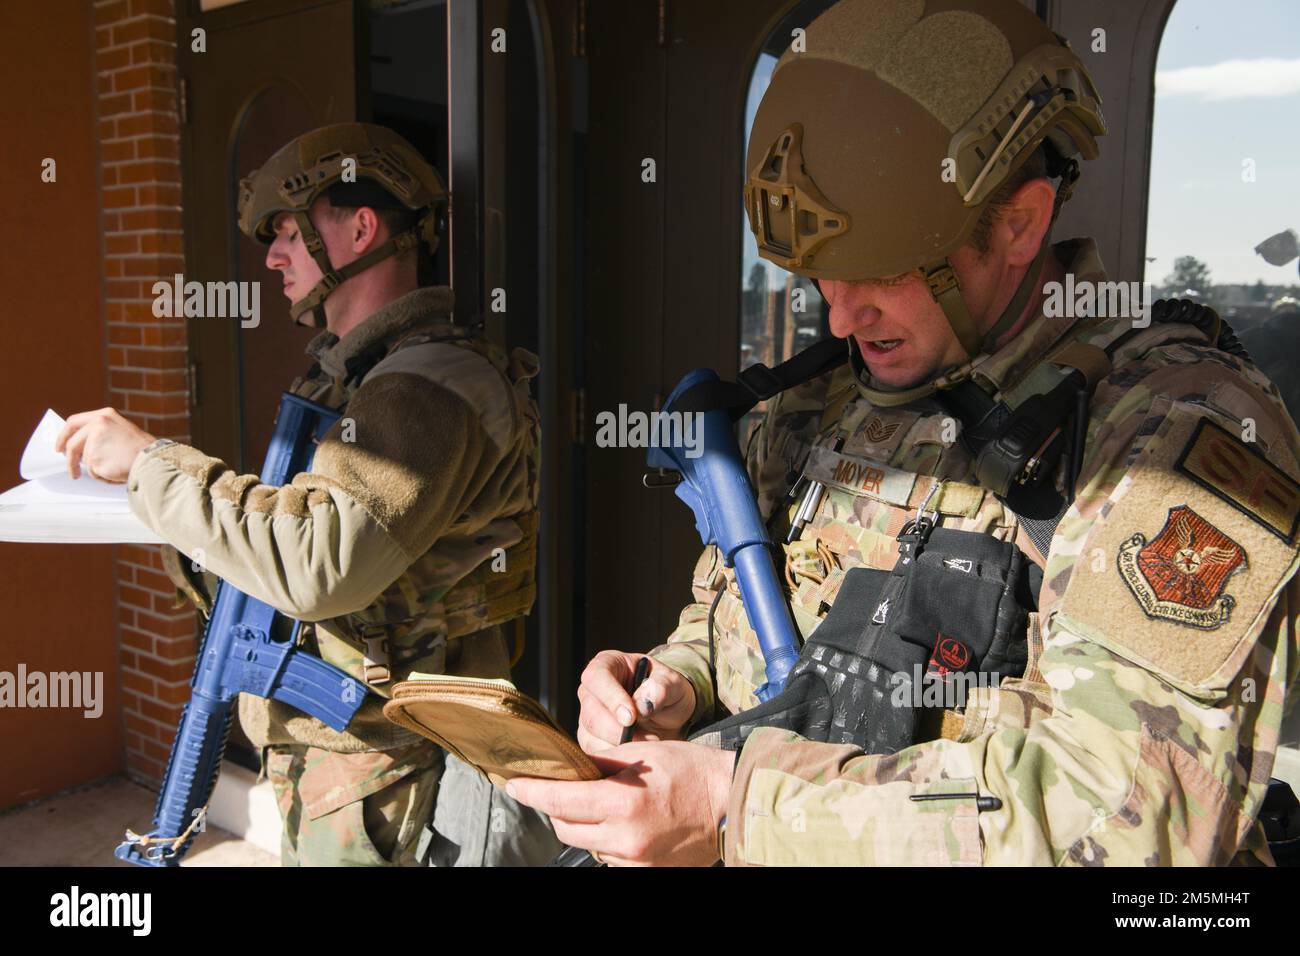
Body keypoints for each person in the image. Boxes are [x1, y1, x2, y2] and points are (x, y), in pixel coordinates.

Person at [509, 0, 1300, 866]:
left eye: (879, 274)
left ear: (1019, 223)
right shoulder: (825, 405)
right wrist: (672, 682)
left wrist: (736, 806)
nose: (842, 318)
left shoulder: (1172, 432)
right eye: (820, 279)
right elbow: (729, 617)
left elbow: (1131, 817)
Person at [56, 122, 560, 866]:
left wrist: (151, 464)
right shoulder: (348, 382)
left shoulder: (430, 386)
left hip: (397, 779)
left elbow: (315, 565)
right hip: (342, 769)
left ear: (359, 229)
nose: (272, 255)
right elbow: (284, 550)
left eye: (289, 231)